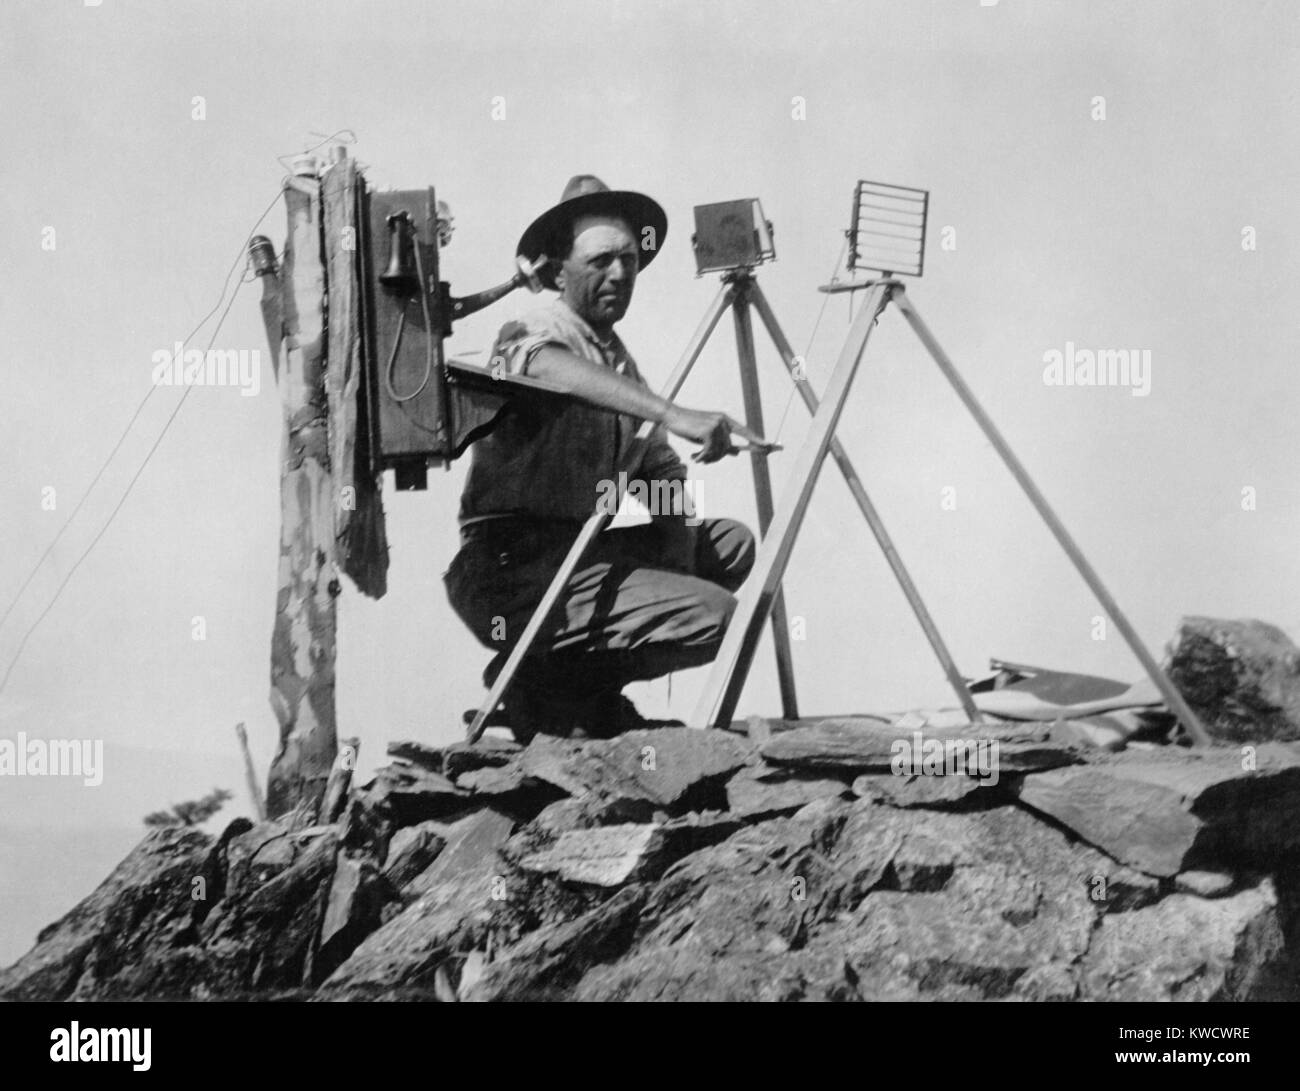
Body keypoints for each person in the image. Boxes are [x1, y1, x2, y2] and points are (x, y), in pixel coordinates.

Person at [444, 175, 770, 740]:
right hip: (507, 568)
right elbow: (542, 366)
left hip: (579, 556)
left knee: (731, 544)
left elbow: (658, 470)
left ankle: (560, 688)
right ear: (557, 271)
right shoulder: (533, 327)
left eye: (629, 259)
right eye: (599, 261)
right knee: (716, 617)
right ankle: (545, 687)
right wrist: (675, 413)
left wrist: (676, 547)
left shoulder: (619, 364)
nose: (619, 274)